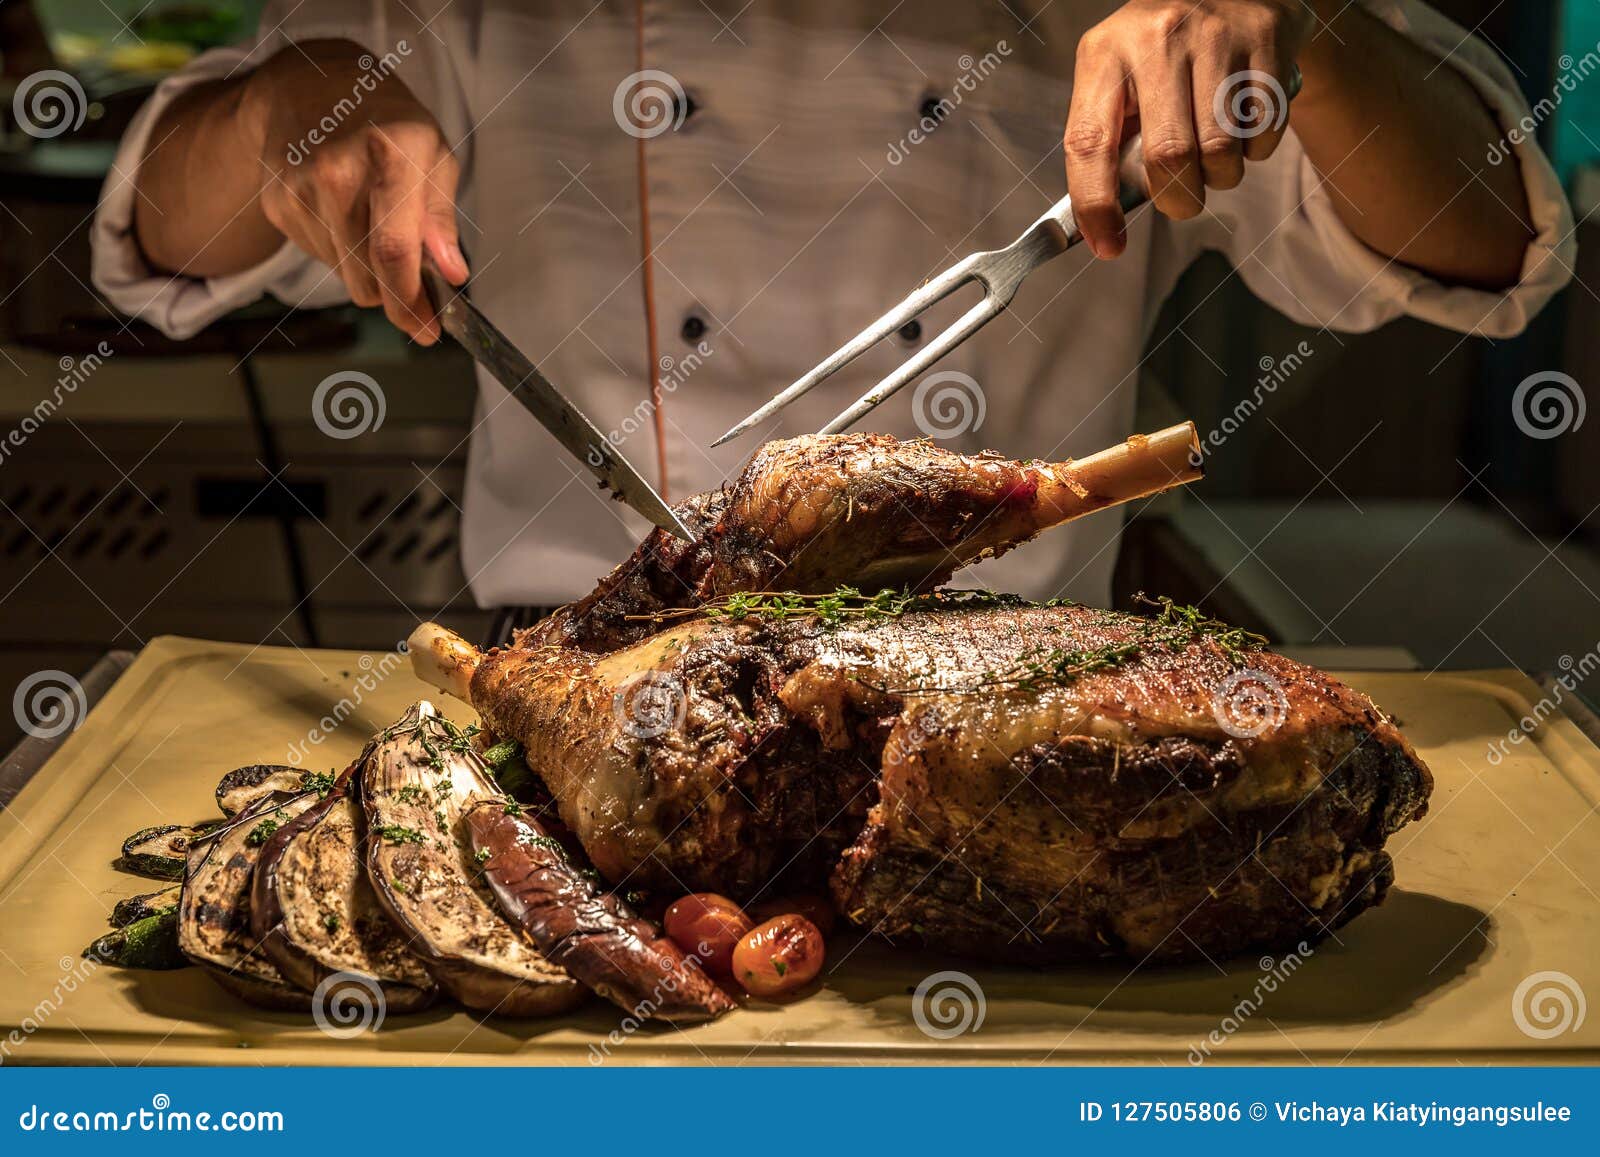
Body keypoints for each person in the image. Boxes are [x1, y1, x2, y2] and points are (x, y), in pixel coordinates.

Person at [91, 1, 1572, 620]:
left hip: (1000, 688)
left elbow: (1489, 237)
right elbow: (162, 237)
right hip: (579, 668)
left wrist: (1297, 29)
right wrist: (289, 108)